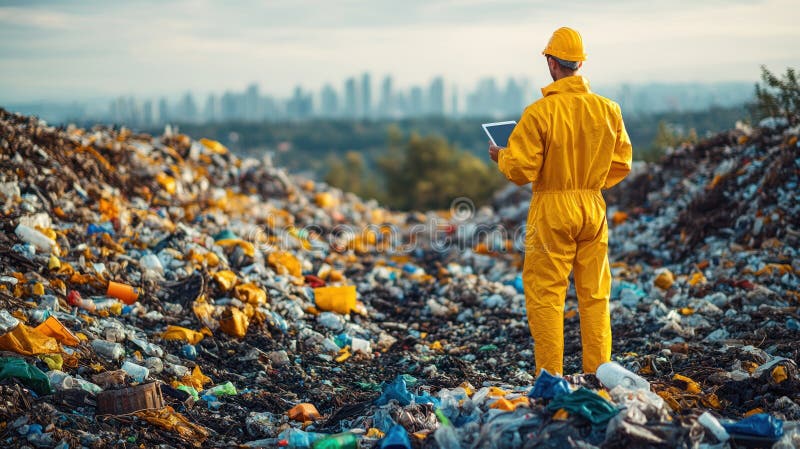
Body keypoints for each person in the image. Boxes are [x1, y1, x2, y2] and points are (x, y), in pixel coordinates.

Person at [488, 27, 633, 376]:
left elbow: (522, 170)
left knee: (546, 295)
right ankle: (599, 374)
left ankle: (550, 377)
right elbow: (623, 162)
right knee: (595, 295)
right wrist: (590, 182)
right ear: (580, 63)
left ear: (552, 64)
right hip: (592, 206)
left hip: (552, 207)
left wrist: (502, 156)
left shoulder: (539, 113)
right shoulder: (608, 109)